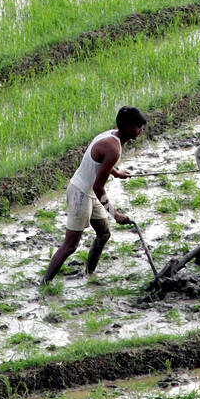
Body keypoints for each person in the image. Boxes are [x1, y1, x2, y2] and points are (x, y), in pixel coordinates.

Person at [43, 106, 147, 283]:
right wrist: (115, 214)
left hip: (88, 191)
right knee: (70, 246)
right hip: (81, 193)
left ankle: (89, 274)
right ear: (129, 127)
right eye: (139, 127)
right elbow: (99, 187)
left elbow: (100, 163)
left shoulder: (112, 136)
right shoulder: (113, 148)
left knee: (104, 234)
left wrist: (116, 173)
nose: (141, 130)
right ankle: (44, 284)